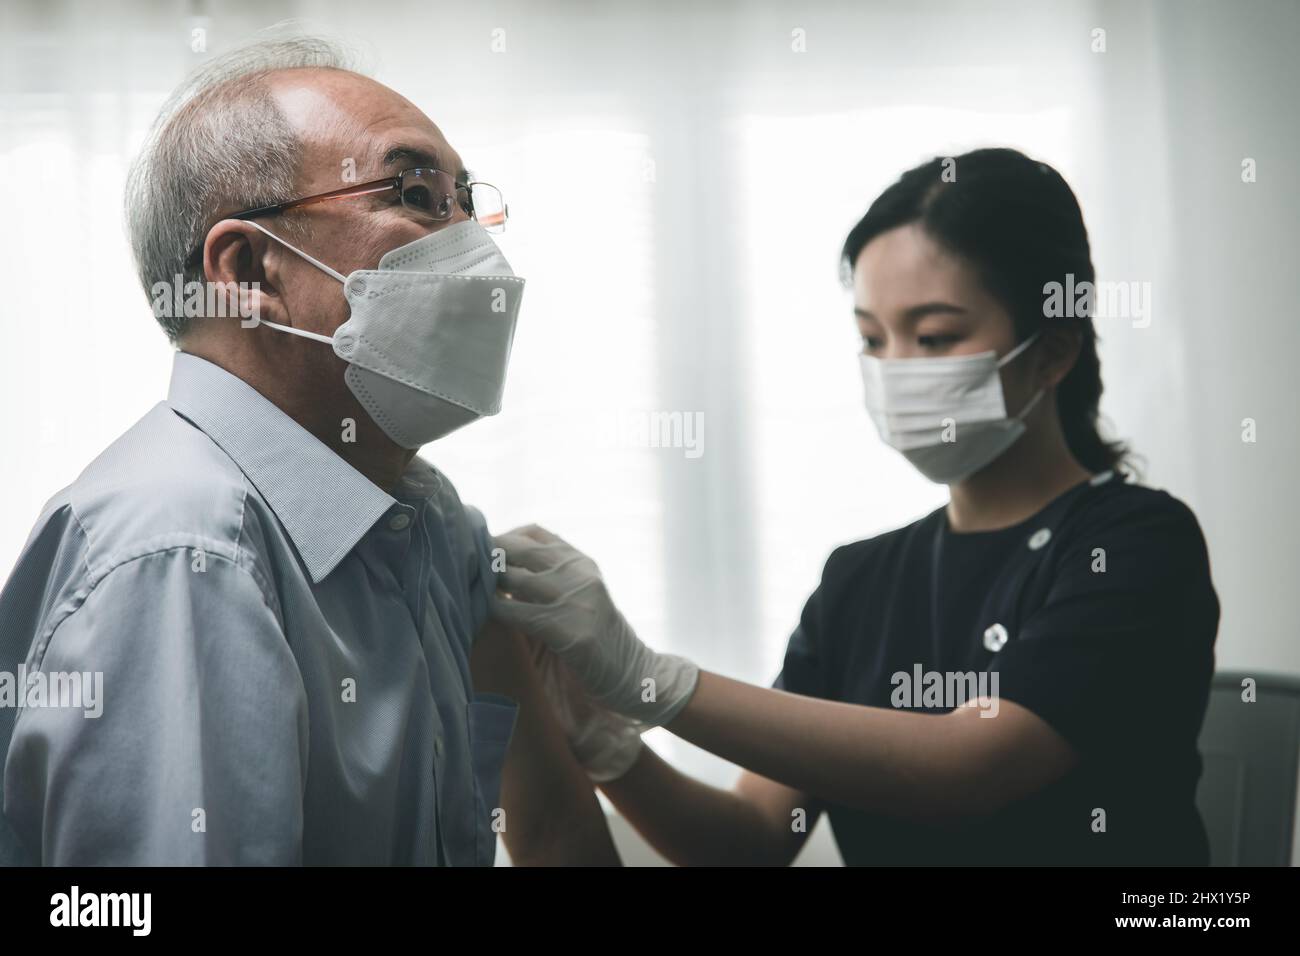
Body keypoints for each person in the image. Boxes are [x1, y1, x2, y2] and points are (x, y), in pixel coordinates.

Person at [495, 148, 1221, 866]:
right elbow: (749, 840)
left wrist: (647, 676)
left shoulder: (1137, 544)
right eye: (873, 338)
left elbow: (972, 767)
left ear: (1053, 349)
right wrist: (609, 745)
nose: (894, 369)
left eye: (934, 336)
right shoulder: (860, 582)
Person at [0, 37, 616, 866]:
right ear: (251, 269)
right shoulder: (183, 555)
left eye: (468, 200)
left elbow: (552, 833)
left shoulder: (432, 525)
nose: (477, 249)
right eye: (416, 193)